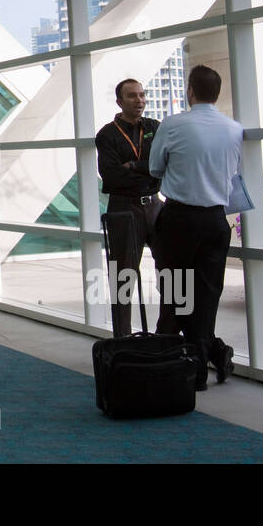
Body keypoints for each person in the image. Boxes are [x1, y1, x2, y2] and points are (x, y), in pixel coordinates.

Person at [147, 65, 241, 391]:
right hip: (216, 221)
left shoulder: (173, 124)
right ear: (217, 92)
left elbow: (155, 168)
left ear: (190, 91)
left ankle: (178, 368)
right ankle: (202, 366)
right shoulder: (233, 129)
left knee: (175, 294)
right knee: (206, 297)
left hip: (179, 220)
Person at [95, 78, 163, 337]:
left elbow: (164, 165)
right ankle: (122, 339)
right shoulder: (107, 135)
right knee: (123, 277)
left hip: (155, 205)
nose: (140, 100)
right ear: (119, 102)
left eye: (142, 95)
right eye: (133, 96)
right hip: (124, 208)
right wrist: (149, 171)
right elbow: (112, 177)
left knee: (173, 270)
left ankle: (167, 335)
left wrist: (135, 166)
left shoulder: (154, 127)